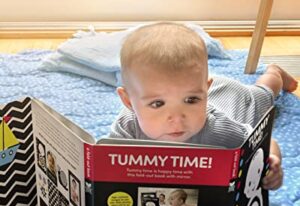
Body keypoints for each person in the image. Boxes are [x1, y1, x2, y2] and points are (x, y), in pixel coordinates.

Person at [109, 22, 298, 190]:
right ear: (128, 102)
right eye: (157, 103)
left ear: (205, 91)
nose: (177, 118)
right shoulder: (127, 127)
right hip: (203, 87)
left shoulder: (219, 129)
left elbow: (267, 142)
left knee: (264, 93)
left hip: (234, 97)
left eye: (191, 100)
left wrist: (272, 162)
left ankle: (275, 72)